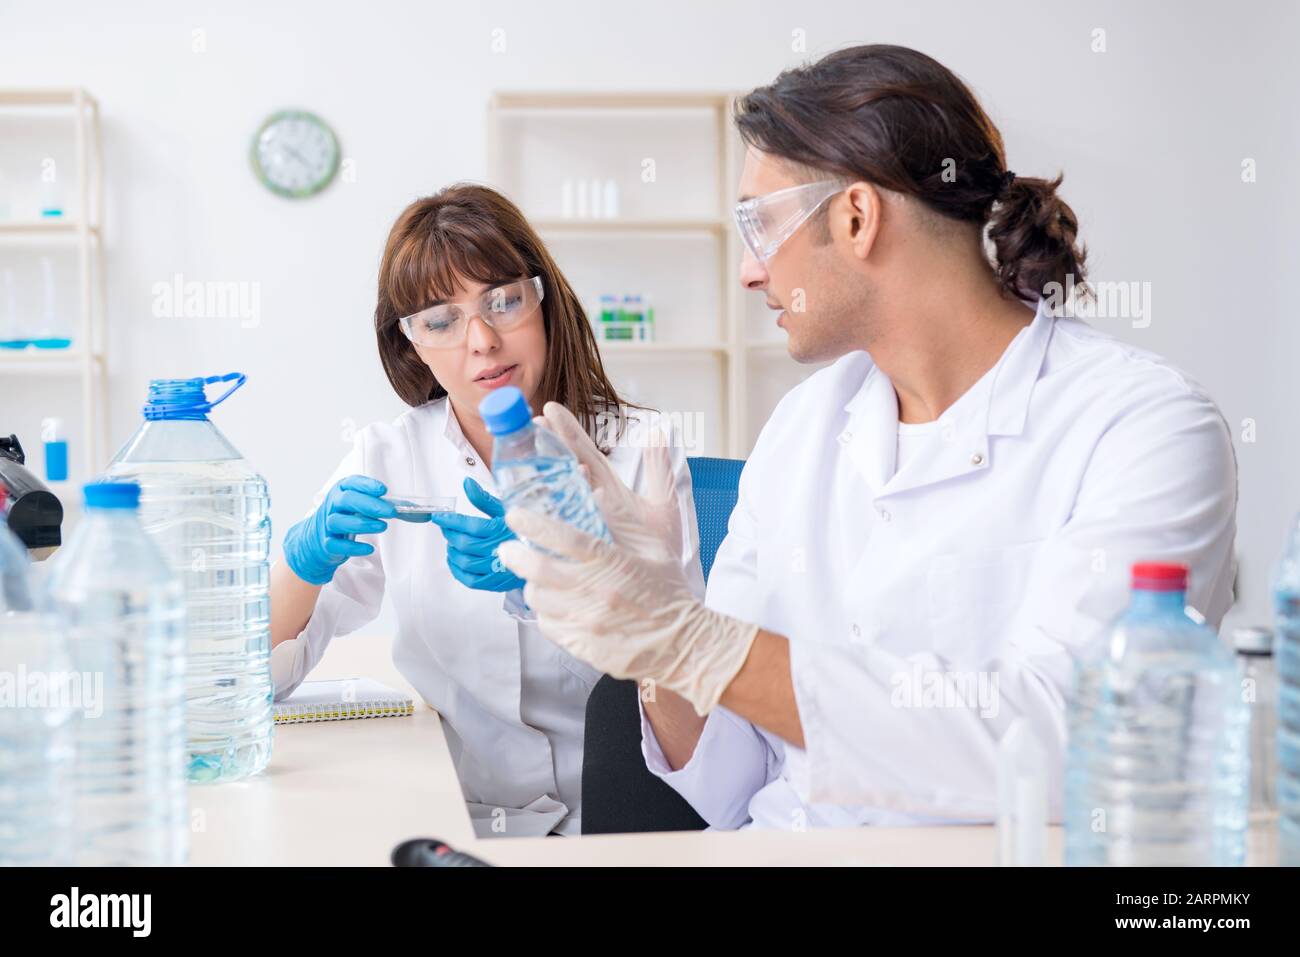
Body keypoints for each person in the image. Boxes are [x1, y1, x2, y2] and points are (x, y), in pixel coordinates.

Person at [497, 45, 1238, 829]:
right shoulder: (803, 429)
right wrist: (659, 646)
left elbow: (1074, 746)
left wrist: (697, 643)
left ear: (856, 217)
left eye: (759, 223)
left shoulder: (1143, 426)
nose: (749, 272)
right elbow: (730, 778)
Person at [269, 184, 703, 837]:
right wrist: (302, 563)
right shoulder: (389, 458)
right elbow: (248, 687)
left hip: (618, 825)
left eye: (503, 300)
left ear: (544, 299)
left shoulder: (640, 452)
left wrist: (569, 585)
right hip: (457, 822)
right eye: (441, 320)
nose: (482, 339)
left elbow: (693, 699)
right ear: (410, 342)